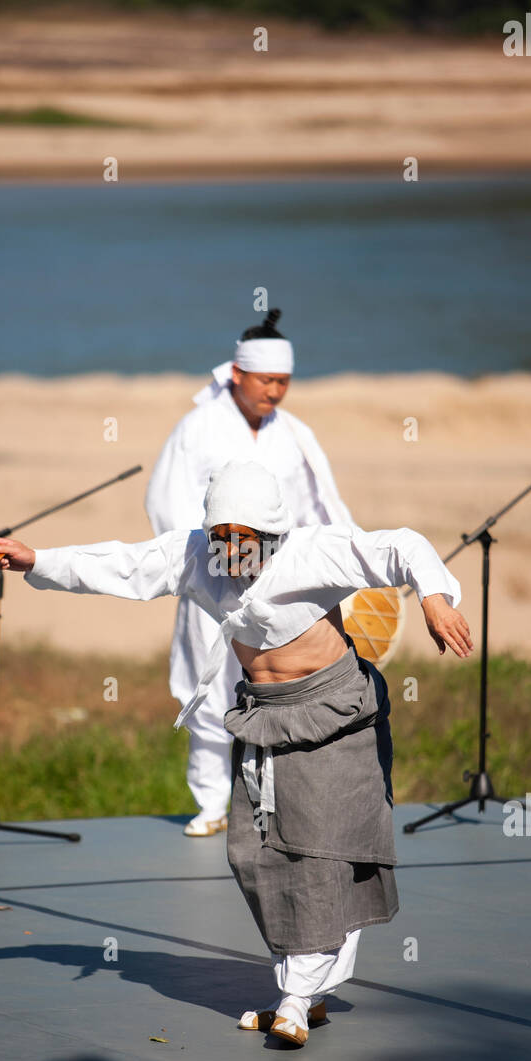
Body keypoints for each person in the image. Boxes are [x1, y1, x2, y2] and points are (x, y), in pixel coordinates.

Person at [0, 461, 472, 1048]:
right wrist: (36, 560)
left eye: (241, 539)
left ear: (270, 535)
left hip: (335, 715)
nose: (229, 549)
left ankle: (296, 998)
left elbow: (401, 545)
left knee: (323, 853)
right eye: (221, 536)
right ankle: (306, 991)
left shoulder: (313, 552)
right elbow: (122, 564)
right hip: (264, 715)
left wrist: (437, 599)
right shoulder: (197, 556)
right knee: (255, 851)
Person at [145, 308, 353, 837]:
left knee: (283, 690)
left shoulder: (294, 435)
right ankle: (212, 802)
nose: (277, 392)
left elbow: (316, 507)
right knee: (210, 688)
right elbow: (167, 502)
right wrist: (213, 564)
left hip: (282, 587)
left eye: (284, 382)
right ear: (238, 373)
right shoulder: (197, 428)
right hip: (216, 579)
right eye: (267, 381)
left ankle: (279, 801)